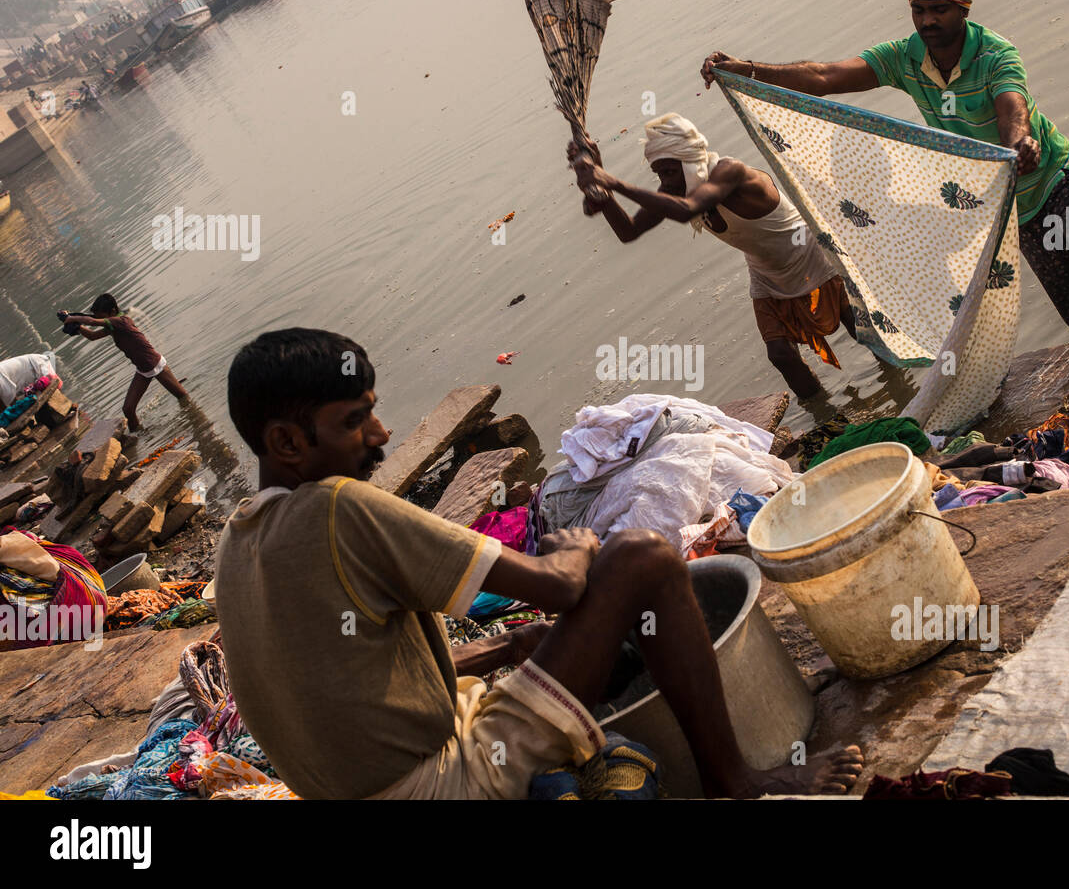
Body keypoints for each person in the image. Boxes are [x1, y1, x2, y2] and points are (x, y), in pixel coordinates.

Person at [212, 327, 864, 799]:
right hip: (444, 783)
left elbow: (350, 675)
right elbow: (555, 588)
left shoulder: (238, 545)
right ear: (287, 442)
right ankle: (736, 780)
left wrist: (502, 648)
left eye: (375, 413)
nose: (381, 437)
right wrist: (576, 548)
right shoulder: (339, 509)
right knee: (639, 557)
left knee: (560, 621)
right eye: (357, 421)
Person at [700, 0, 1069, 426]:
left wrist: (1018, 143)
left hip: (1055, 178)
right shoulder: (906, 57)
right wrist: (745, 69)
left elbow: (1013, 111)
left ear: (963, 9)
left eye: (939, 11)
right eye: (919, 11)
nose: (928, 22)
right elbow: (824, 76)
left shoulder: (996, 54)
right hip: (1008, 208)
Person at [570, 114, 854, 399]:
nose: (665, 182)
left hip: (809, 255)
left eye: (669, 172)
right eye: (659, 174)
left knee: (858, 325)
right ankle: (826, 417)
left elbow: (687, 210)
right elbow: (628, 231)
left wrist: (612, 182)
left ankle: (896, 379)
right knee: (780, 354)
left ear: (690, 162)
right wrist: (600, 184)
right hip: (766, 272)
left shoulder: (731, 173)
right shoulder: (676, 189)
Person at [61, 293, 189, 432]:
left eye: (102, 315)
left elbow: (92, 322)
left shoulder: (121, 321)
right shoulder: (113, 326)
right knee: (128, 409)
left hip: (155, 364)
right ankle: (139, 435)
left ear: (113, 311)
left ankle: (195, 420)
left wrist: (70, 318)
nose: (100, 319)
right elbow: (92, 336)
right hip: (142, 370)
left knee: (183, 398)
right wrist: (78, 327)